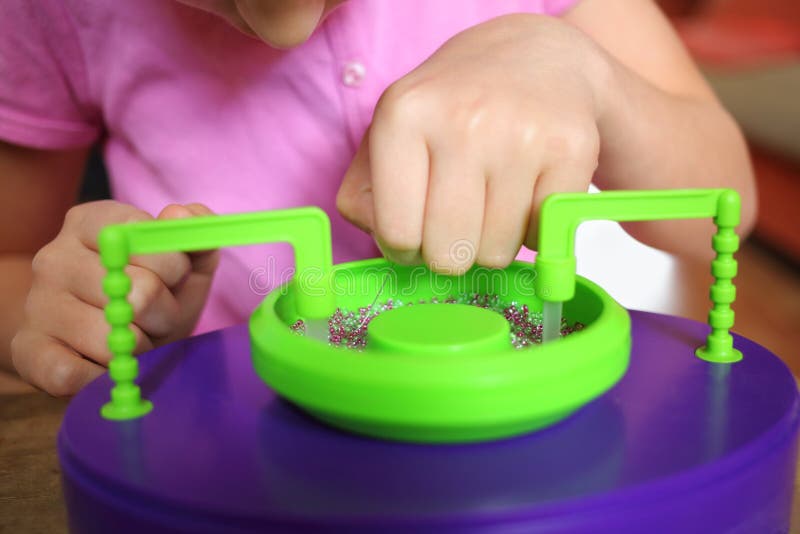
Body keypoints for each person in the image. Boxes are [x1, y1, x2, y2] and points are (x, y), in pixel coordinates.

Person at [0, 0, 756, 396]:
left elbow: (718, 214)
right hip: (237, 454)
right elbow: (12, 262)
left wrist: (584, 73)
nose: (282, 22)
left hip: (511, 439)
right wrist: (94, 311)